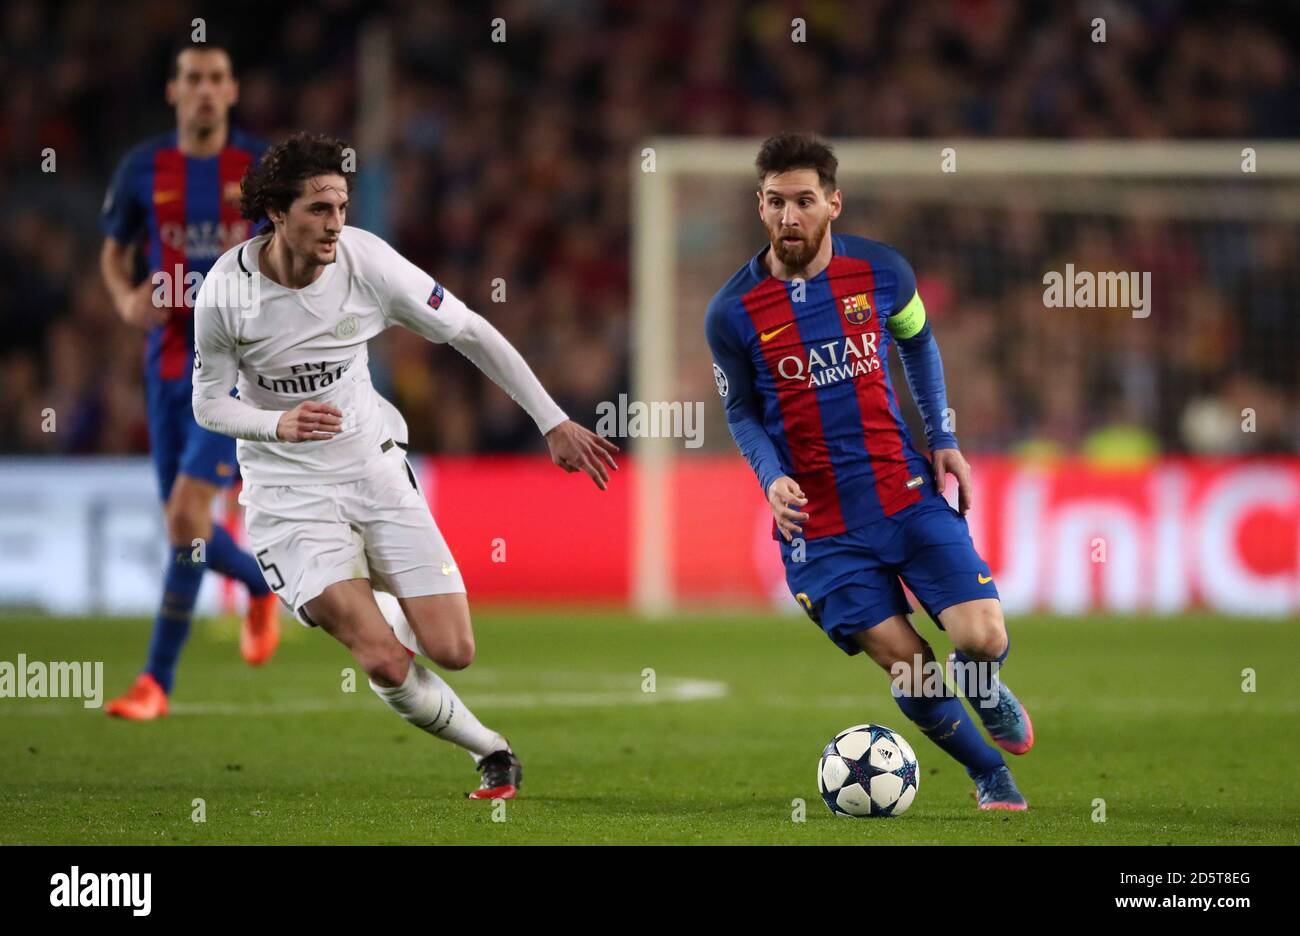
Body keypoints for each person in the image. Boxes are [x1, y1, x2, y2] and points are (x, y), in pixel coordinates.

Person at [191, 132, 618, 798]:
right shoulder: (226, 290)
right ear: (275, 212)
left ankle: (384, 600)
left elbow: (471, 329)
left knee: (454, 650)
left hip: (373, 470)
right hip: (288, 494)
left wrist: (552, 420)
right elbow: (208, 402)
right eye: (317, 209)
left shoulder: (368, 262)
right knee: (384, 658)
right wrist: (278, 423)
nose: (335, 223)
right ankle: (492, 751)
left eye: (340, 206)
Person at [704, 133, 1033, 810]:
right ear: (759, 207)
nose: (788, 216)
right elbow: (740, 413)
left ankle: (985, 689)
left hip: (904, 492)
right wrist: (770, 477)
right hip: (819, 528)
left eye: (802, 200)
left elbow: (919, 343)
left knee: (983, 636)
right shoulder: (730, 313)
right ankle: (988, 774)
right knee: (907, 662)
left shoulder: (884, 272)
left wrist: (943, 437)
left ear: (833, 203)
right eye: (774, 202)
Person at [100, 42, 278, 720]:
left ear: (232, 92)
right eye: (193, 80)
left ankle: (155, 683)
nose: (205, 91)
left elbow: (294, 251)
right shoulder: (142, 168)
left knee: (185, 516)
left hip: (236, 367)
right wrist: (123, 300)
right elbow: (114, 256)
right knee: (187, 532)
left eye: (217, 80)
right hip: (166, 365)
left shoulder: (261, 168)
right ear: (175, 92)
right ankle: (262, 586)